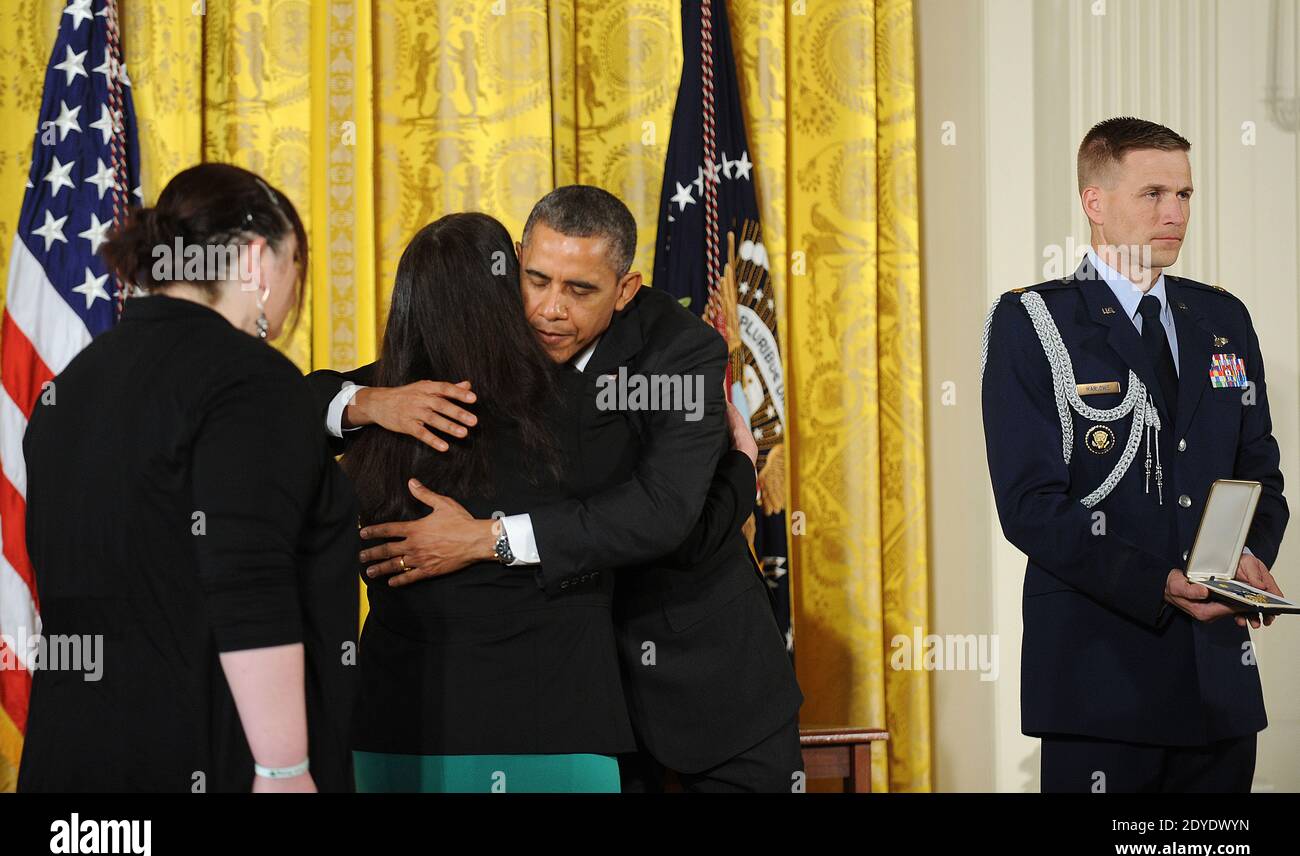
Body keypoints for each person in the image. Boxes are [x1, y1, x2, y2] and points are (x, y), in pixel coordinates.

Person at [312, 186, 803, 792]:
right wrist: (365, 401)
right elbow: (303, 401)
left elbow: (667, 517)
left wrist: (482, 540)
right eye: (536, 279)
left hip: (700, 679)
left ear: (625, 289)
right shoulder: (497, 334)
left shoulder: (677, 353)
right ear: (515, 260)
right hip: (574, 703)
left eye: (579, 290)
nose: (549, 309)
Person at [18, 163, 358, 793]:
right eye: (294, 269)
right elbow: (248, 580)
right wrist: (284, 770)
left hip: (68, 766)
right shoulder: (252, 382)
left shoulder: (67, 389)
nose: (293, 295)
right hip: (211, 755)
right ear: (258, 258)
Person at [981, 118, 1288, 793]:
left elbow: (1261, 476)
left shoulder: (1222, 319)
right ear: (1095, 202)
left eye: (1184, 195)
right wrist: (1159, 581)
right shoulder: (1034, 323)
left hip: (1218, 689)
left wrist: (1246, 557)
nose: (1174, 213)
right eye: (1153, 193)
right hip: (1102, 688)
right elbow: (1031, 506)